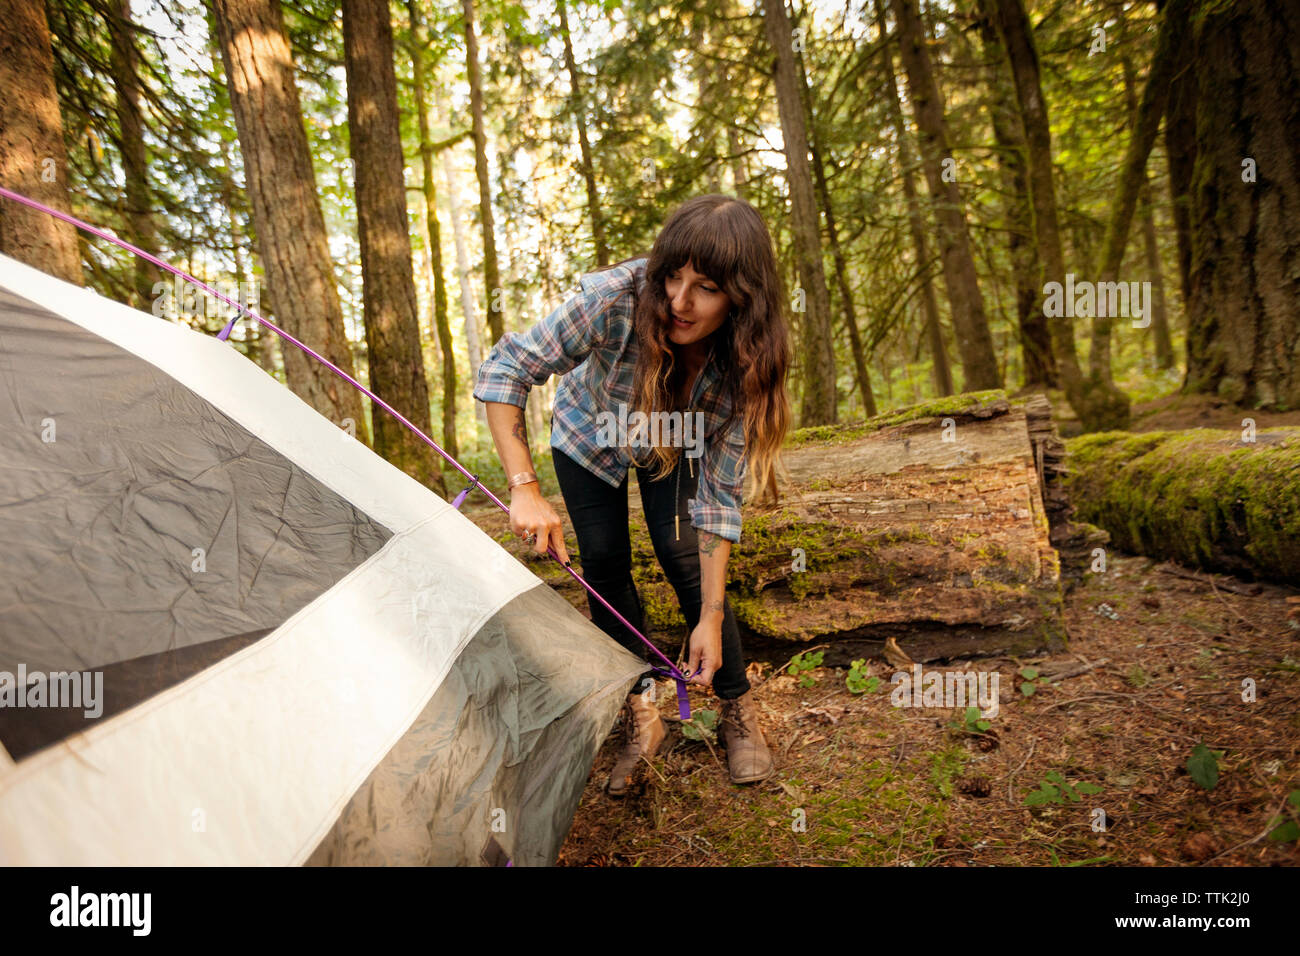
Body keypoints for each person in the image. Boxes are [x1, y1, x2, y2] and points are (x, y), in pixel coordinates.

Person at [473, 194, 792, 794]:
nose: (679, 301)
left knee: (683, 558)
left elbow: (719, 505)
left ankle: (736, 707)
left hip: (670, 441)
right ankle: (642, 713)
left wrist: (712, 617)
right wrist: (524, 488)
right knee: (604, 562)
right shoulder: (613, 301)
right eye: (672, 277)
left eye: (706, 287)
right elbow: (504, 369)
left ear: (743, 296)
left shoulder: (745, 364)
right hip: (588, 435)